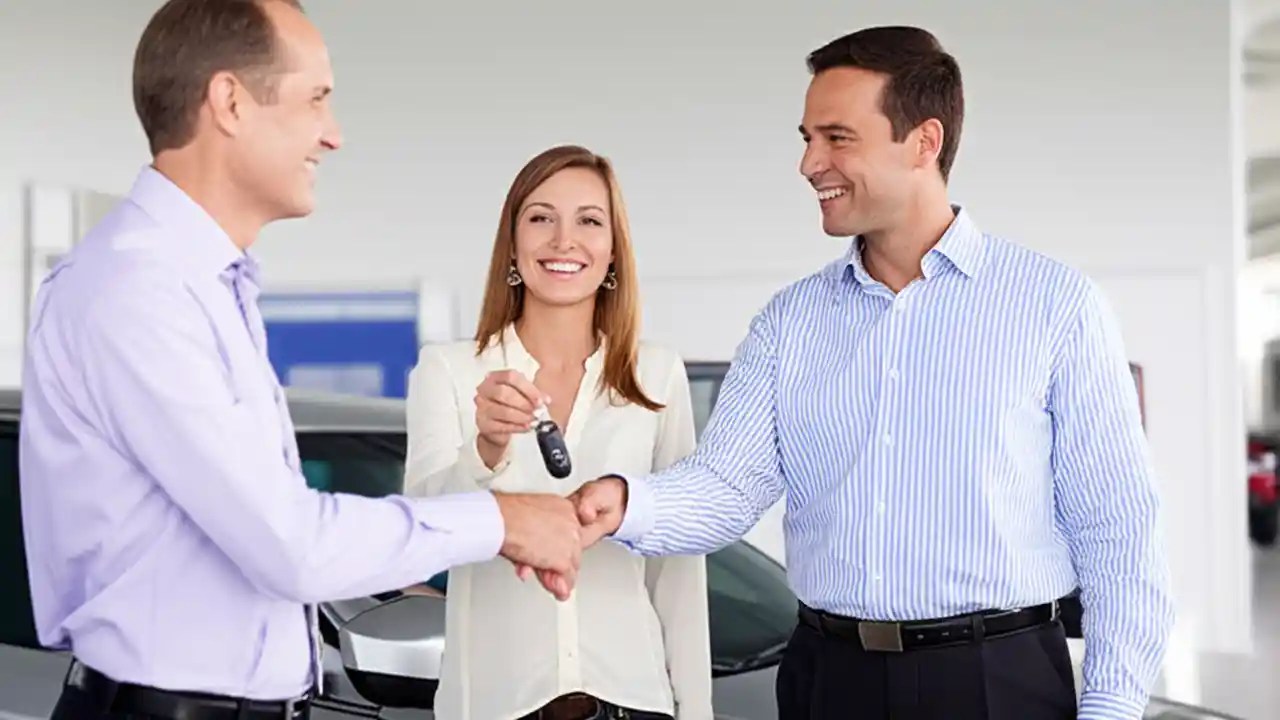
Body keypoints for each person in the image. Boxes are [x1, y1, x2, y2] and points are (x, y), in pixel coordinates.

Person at [571, 25, 1176, 720]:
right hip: (828, 681)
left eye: (836, 138)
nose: (809, 163)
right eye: (806, 137)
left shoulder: (1054, 306)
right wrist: (624, 503)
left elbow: (1119, 530)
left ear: (924, 142)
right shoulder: (788, 323)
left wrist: (1111, 707)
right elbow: (726, 488)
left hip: (996, 684)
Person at [20, 2, 583, 718]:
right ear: (229, 102)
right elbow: (291, 546)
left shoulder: (204, 286)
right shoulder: (136, 290)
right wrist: (501, 520)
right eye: (316, 97)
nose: (334, 134)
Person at [403, 144, 713, 720]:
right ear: (513, 246)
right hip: (495, 706)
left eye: (589, 221)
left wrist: (695, 710)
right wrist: (485, 449)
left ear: (613, 250)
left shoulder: (657, 374)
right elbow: (421, 528)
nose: (563, 241)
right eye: (541, 217)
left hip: (634, 702)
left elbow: (678, 564)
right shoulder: (448, 369)